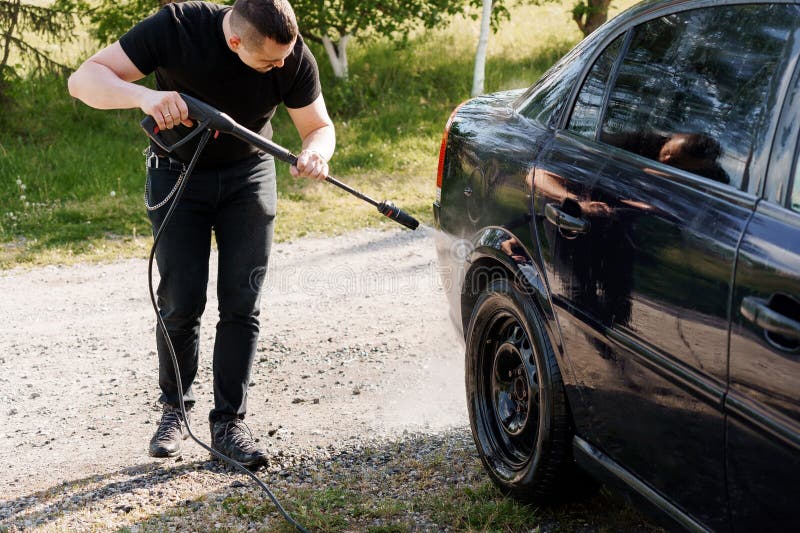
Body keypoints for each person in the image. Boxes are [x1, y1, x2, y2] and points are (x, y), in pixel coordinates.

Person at [67, 0, 335, 467]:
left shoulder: (290, 53)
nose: (282, 65)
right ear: (234, 42)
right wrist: (145, 97)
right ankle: (174, 411)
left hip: (249, 175)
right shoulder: (176, 27)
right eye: (270, 61)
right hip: (175, 174)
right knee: (180, 299)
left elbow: (318, 126)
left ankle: (229, 424)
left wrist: (317, 152)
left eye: (285, 57)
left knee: (241, 301)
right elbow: (82, 80)